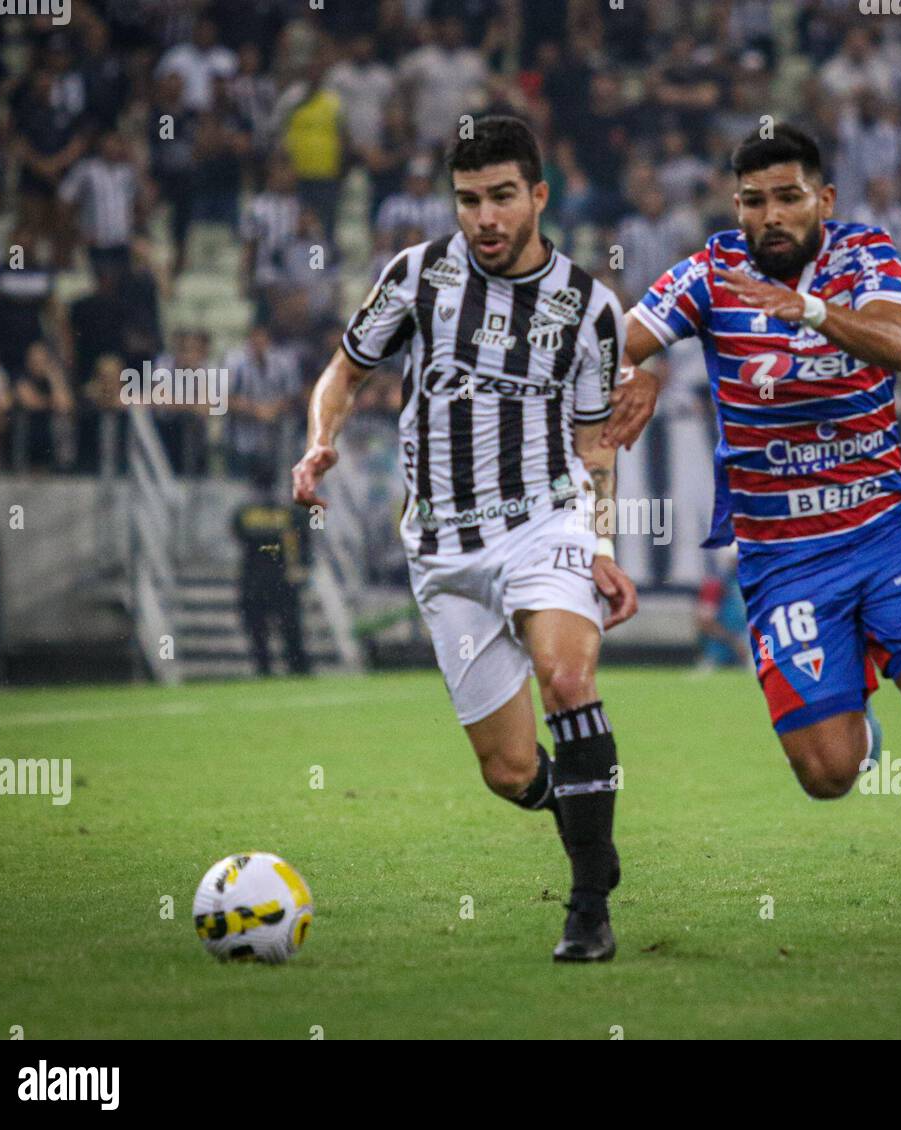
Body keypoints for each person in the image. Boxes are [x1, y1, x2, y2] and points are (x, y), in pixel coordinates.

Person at [605, 124, 901, 958]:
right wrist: (647, 366)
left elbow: (899, 347)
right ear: (735, 206)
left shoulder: (866, 257)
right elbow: (619, 340)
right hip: (785, 556)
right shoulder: (710, 271)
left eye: (788, 197)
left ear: (823, 200)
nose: (770, 215)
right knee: (828, 774)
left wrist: (814, 310)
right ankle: (855, 716)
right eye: (753, 201)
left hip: (887, 526)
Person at [292, 117, 636, 962]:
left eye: (502, 197)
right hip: (442, 551)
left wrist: (602, 544)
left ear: (539, 196)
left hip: (542, 524)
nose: (483, 217)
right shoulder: (417, 274)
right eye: (468, 200)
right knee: (511, 772)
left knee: (566, 675)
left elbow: (595, 445)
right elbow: (343, 372)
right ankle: (583, 821)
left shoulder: (589, 306)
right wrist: (318, 438)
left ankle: (587, 903)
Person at [233, 460, 313, 677]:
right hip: (283, 577)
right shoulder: (289, 512)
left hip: (253, 578)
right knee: (291, 629)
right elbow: (305, 540)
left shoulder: (244, 513)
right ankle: (298, 670)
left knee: (258, 631)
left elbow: (240, 536)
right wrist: (303, 567)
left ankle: (264, 670)